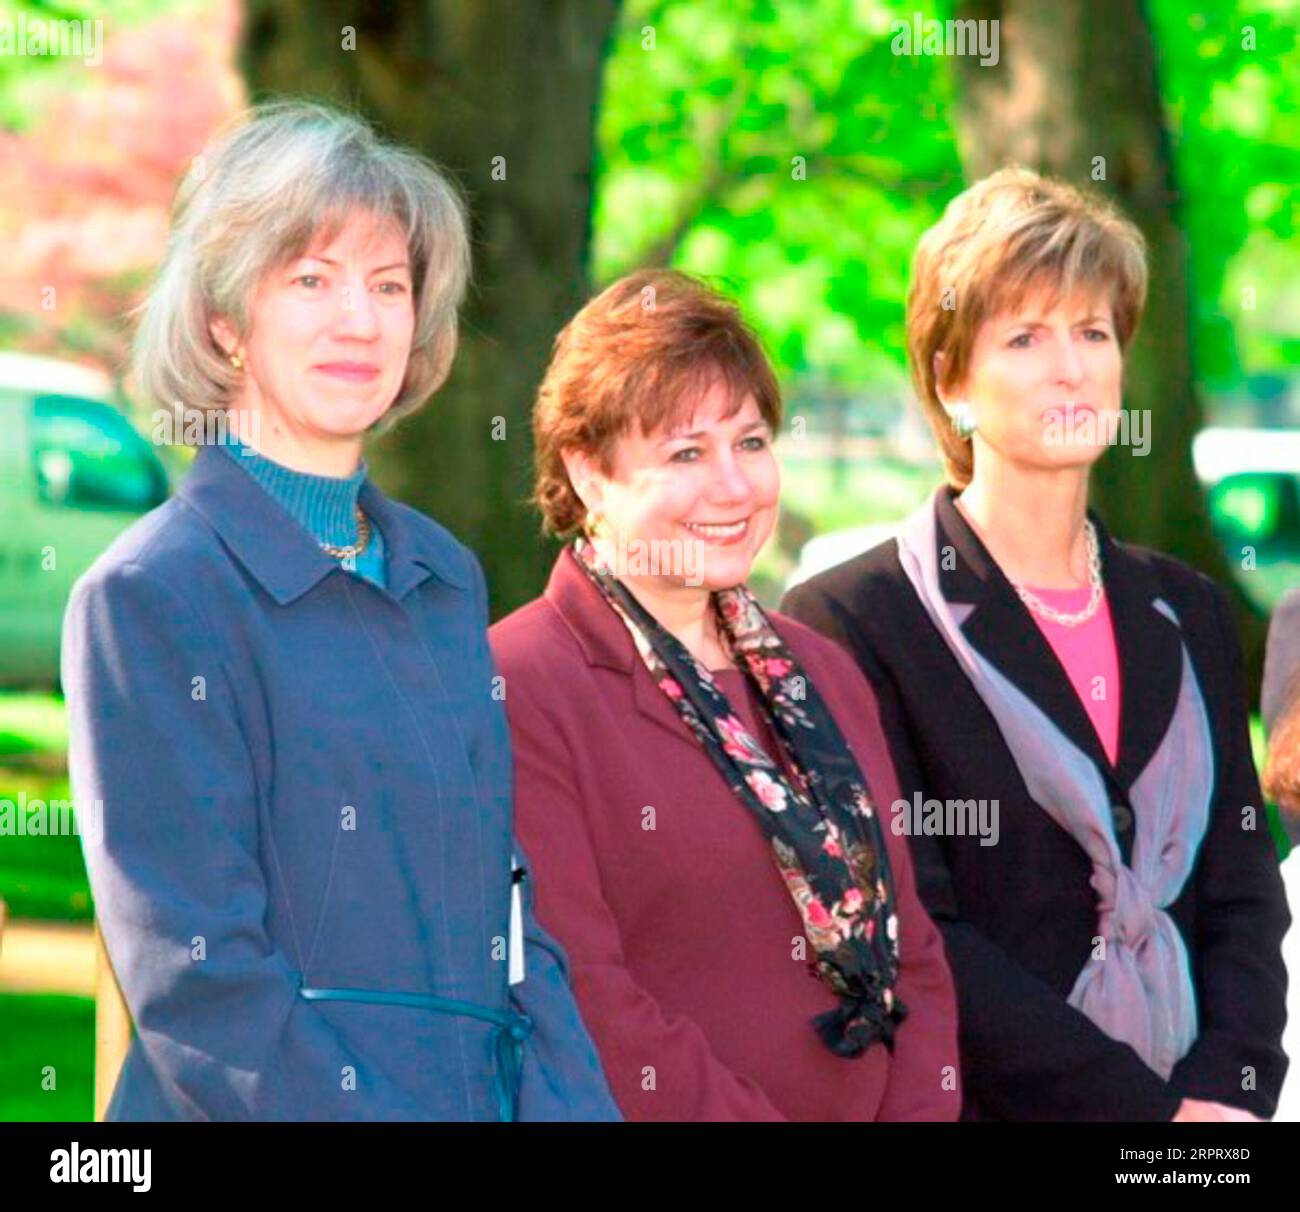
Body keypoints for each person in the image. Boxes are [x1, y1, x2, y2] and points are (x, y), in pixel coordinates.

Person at [61, 100, 618, 1121]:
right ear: (226, 318)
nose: (357, 320)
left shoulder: (442, 578)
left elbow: (507, 916)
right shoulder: (152, 598)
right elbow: (202, 982)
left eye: (387, 286)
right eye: (309, 280)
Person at [783, 168, 1290, 1121]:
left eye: (1093, 333)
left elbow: (1243, 890)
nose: (1071, 367)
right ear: (950, 379)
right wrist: (1151, 1121)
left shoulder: (1186, 608)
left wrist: (1231, 1096)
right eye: (1025, 338)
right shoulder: (853, 617)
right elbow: (916, 929)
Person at [489, 269, 960, 1121]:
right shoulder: (523, 683)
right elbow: (587, 996)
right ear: (589, 475)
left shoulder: (822, 670)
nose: (736, 487)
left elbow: (914, 950)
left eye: (749, 442)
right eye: (684, 453)